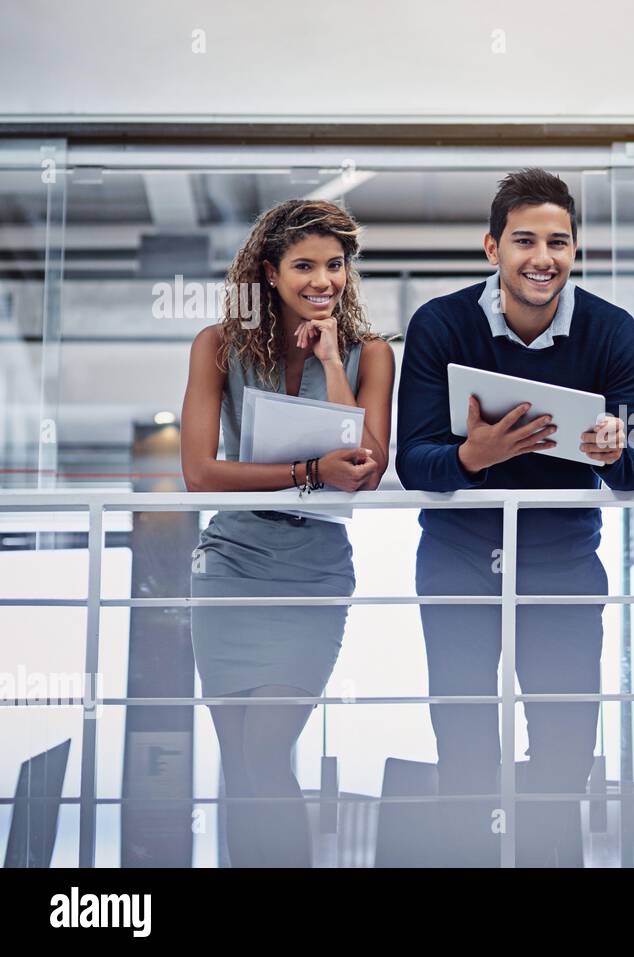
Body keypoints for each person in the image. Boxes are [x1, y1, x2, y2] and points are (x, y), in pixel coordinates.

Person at [396, 168, 634, 867]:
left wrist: (611, 450)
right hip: (458, 556)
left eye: (559, 242)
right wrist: (473, 456)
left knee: (565, 747)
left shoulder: (611, 331)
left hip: (563, 561)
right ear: (492, 248)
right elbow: (414, 462)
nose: (543, 257)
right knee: (464, 741)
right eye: (524, 241)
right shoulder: (440, 323)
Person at [181, 199, 393, 867]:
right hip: (231, 566)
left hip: (313, 570)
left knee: (267, 752)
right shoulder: (219, 345)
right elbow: (199, 473)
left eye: (334, 265)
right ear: (269, 273)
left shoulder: (372, 354)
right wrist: (306, 470)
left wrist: (334, 364)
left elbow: (366, 467)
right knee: (240, 770)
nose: (322, 280)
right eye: (304, 265)